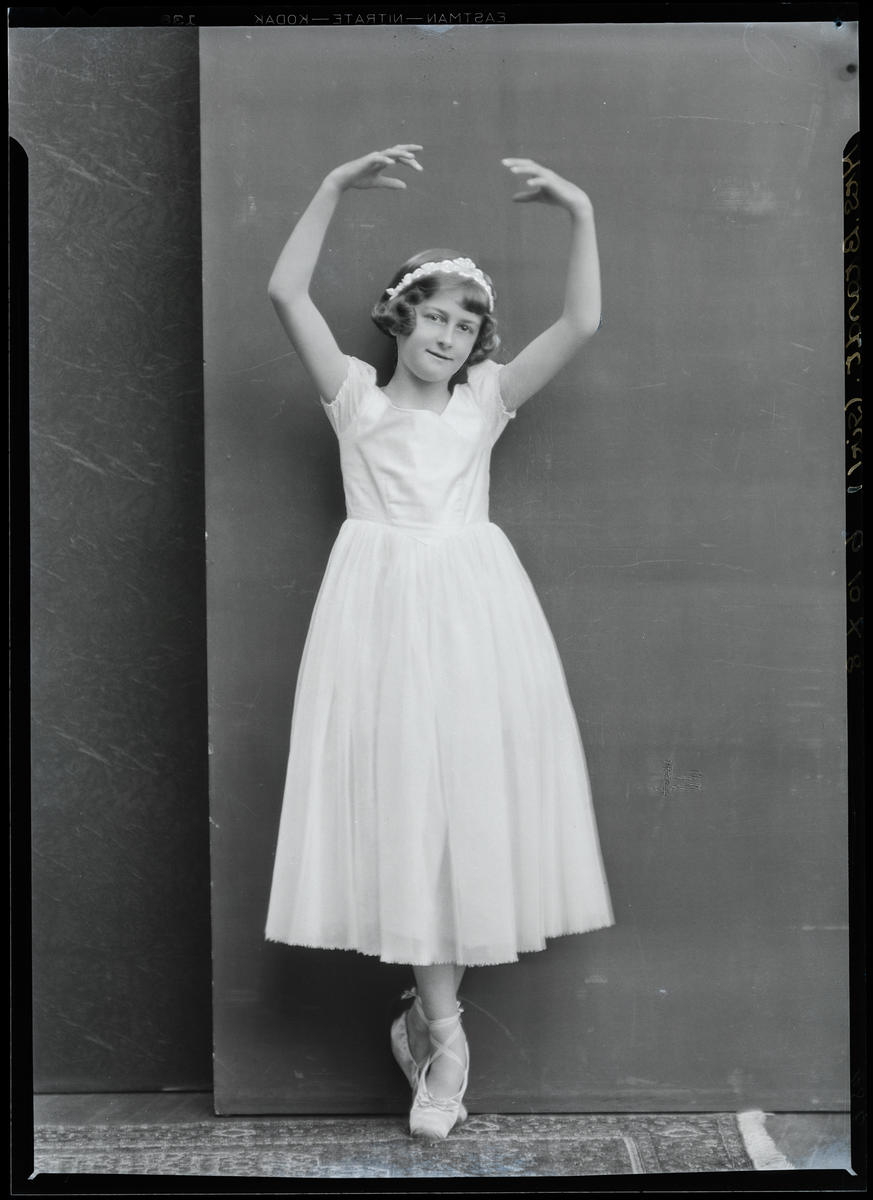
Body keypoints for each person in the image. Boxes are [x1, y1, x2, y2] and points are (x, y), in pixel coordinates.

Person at [264, 144, 614, 1139]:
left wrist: (579, 208)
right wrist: (331, 185)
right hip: (377, 622)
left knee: (460, 813)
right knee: (408, 811)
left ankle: (435, 1028)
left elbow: (583, 321)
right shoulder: (354, 402)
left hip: (470, 621)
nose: (451, 334)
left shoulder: (485, 405)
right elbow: (285, 290)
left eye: (468, 323)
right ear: (399, 317)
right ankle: (445, 1033)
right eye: (435, 314)